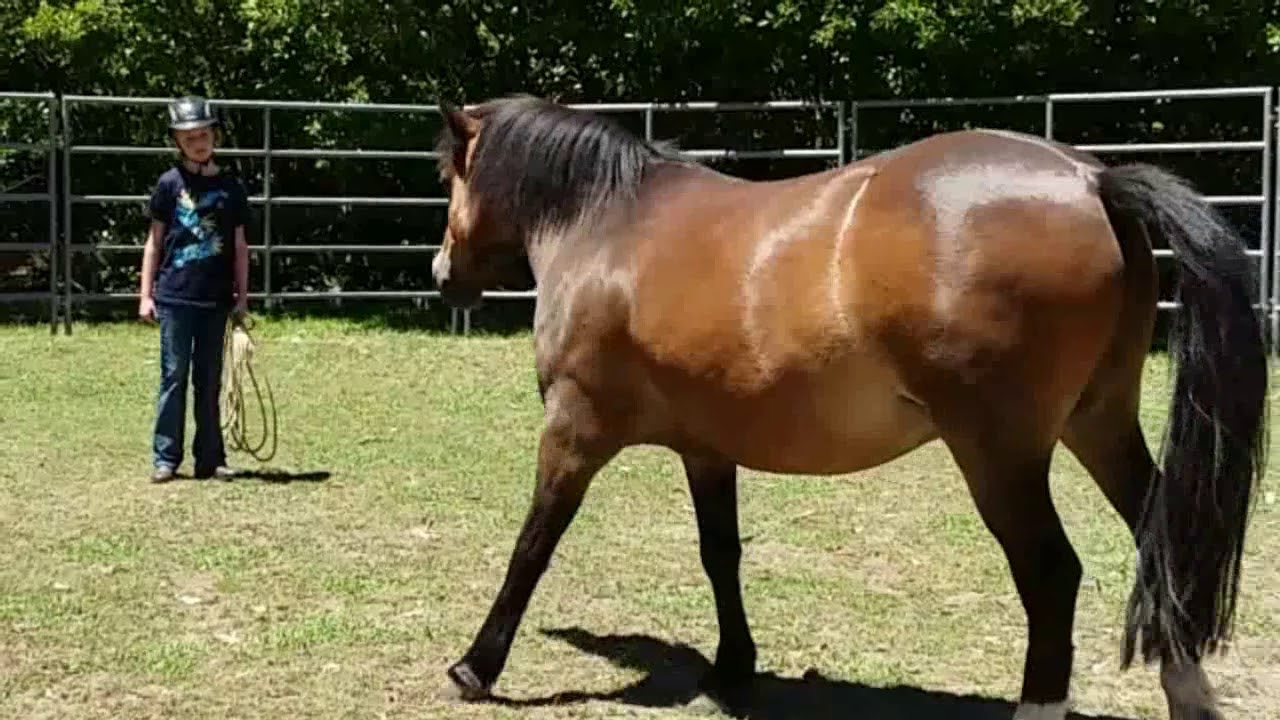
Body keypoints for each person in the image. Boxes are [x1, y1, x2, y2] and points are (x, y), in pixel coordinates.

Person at [137, 95, 250, 483]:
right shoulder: (169, 185)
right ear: (177, 142)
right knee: (173, 376)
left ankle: (210, 457)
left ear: (213, 136)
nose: (198, 143)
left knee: (210, 378)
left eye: (203, 135)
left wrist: (242, 297)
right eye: (189, 138)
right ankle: (165, 457)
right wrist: (146, 294)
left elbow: (239, 245)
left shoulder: (231, 187)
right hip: (174, 296)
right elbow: (154, 242)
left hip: (214, 298)